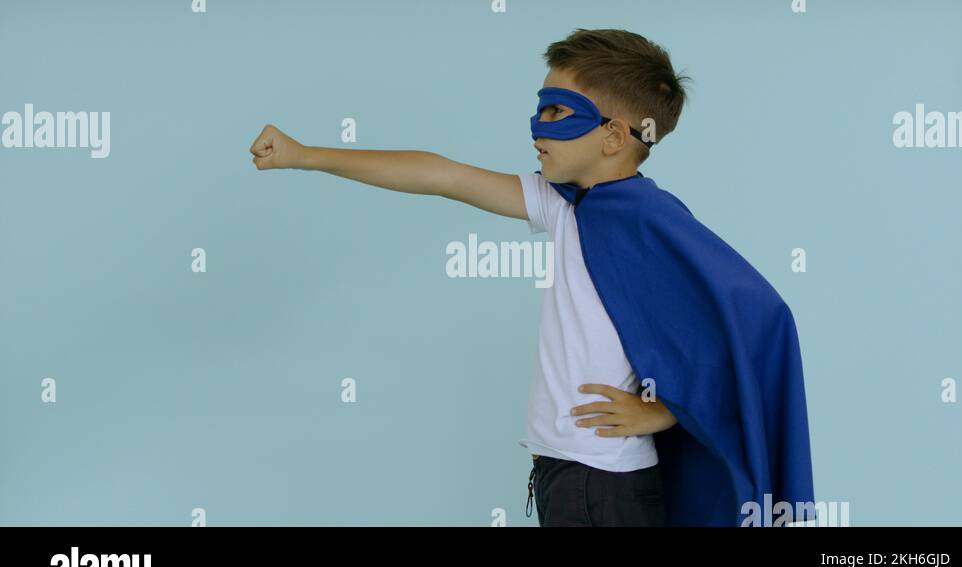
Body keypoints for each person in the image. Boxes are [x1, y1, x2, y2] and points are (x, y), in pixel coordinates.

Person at [249, 28, 814, 527]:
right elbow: (441, 174)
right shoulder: (567, 205)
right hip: (566, 473)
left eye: (557, 112)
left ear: (614, 136)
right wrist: (306, 155)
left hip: (602, 484)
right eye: (539, 107)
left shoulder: (649, 218)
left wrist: (665, 410)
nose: (536, 125)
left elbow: (755, 320)